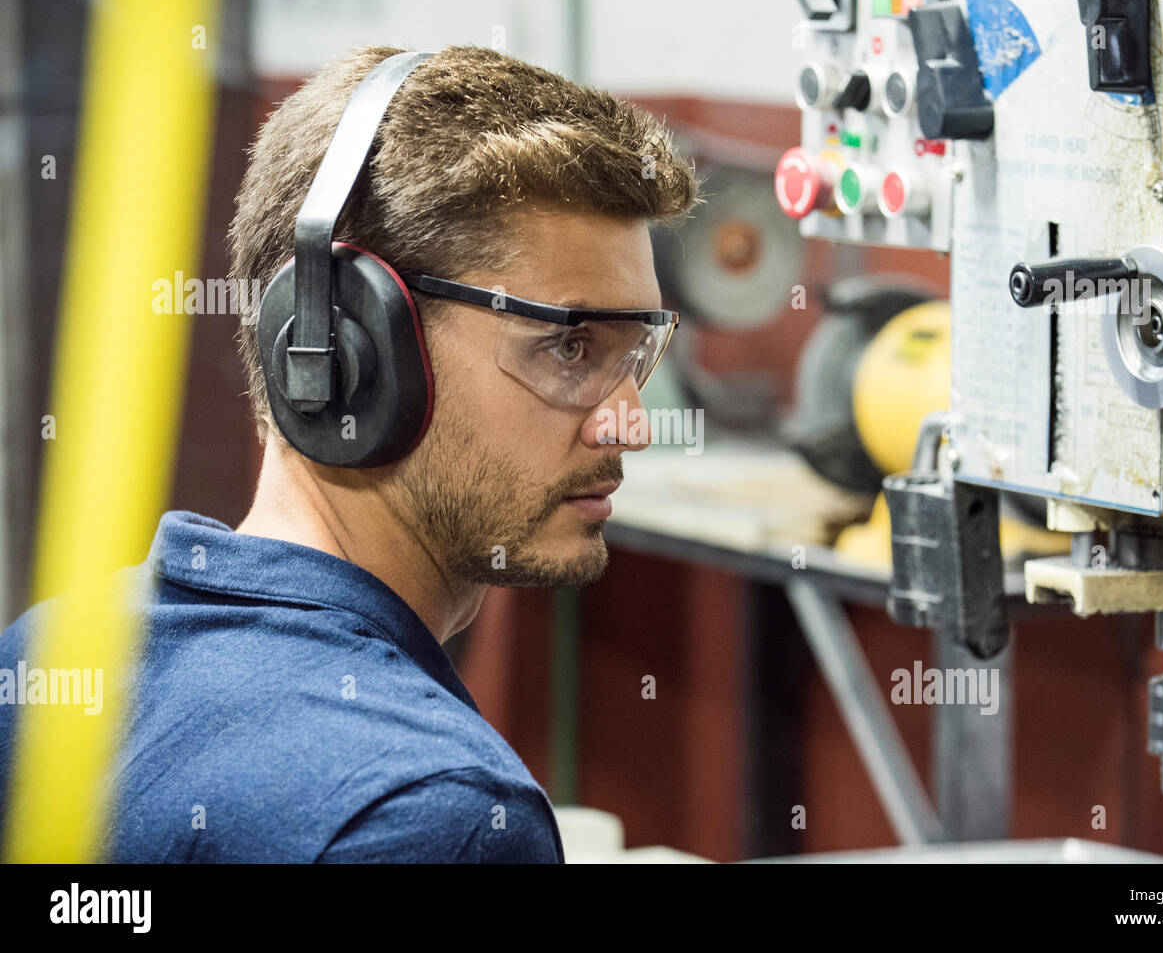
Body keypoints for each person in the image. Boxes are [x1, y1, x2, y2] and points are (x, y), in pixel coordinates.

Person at [0, 44, 698, 862]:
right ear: (345, 348)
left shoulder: (44, 658)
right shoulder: (438, 814)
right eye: (571, 347)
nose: (630, 426)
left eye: (636, 357)